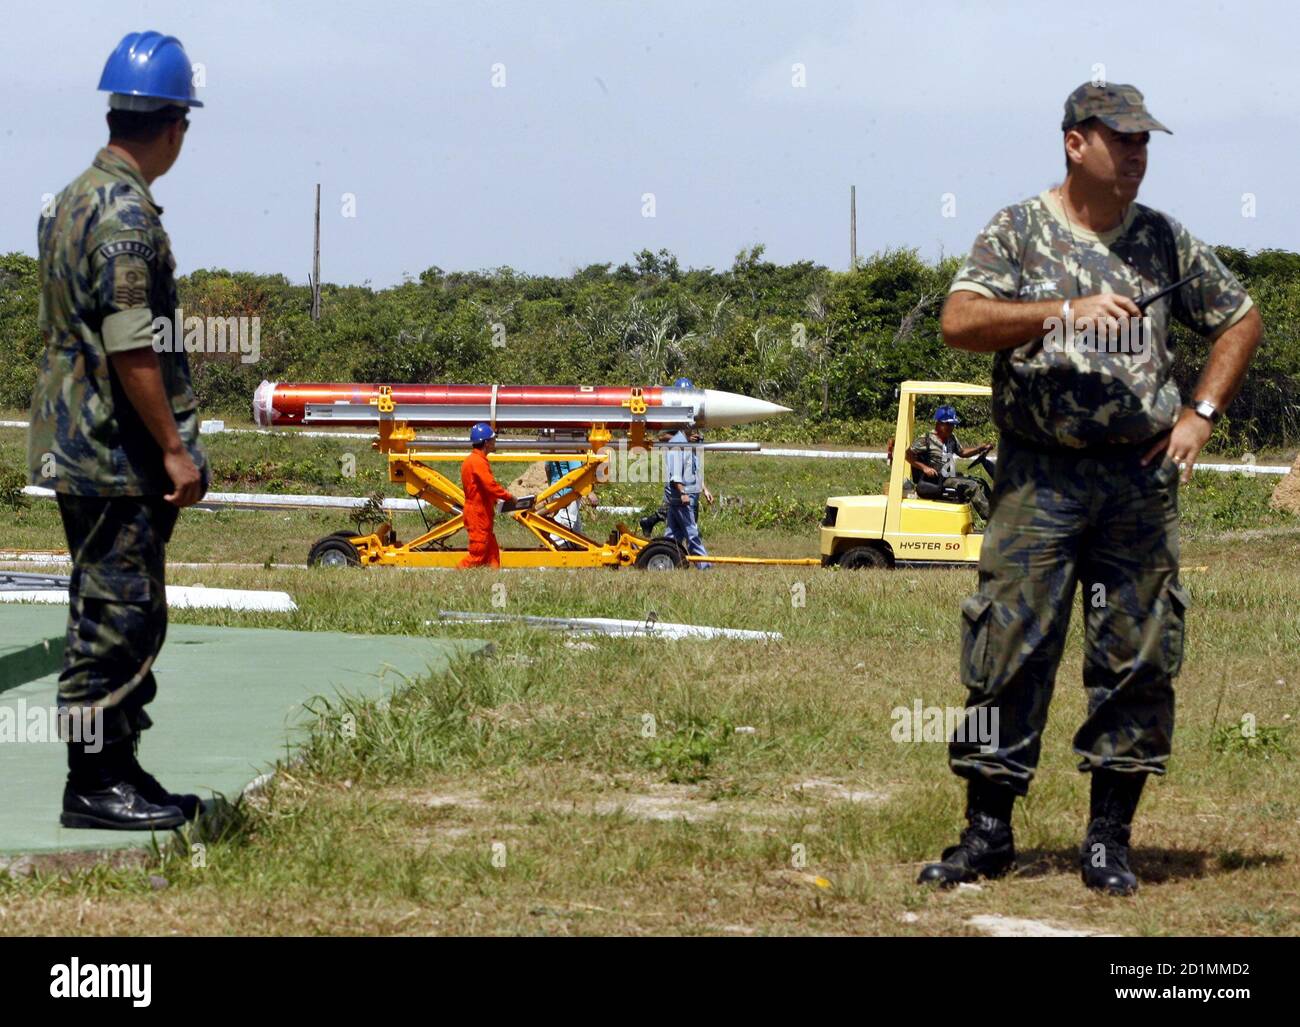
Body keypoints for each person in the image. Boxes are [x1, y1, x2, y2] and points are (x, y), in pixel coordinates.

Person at [919, 83, 1262, 895]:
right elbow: (960, 322)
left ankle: (1109, 837)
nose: (1139, 155)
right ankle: (988, 832)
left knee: (1139, 653)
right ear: (1076, 143)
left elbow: (1240, 319)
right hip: (1039, 475)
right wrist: (1060, 310)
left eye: (1147, 143)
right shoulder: (1018, 230)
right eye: (1124, 140)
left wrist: (1201, 412)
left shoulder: (1164, 240)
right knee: (1008, 649)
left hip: (1139, 480)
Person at [26, 31, 209, 830]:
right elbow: (130, 336)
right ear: (174, 126)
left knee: (118, 602)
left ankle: (121, 768)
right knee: (117, 609)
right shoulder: (126, 212)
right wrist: (173, 445)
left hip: (75, 436)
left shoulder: (69, 198)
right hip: (111, 447)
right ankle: (95, 782)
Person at [904, 405, 994, 519]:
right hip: (937, 479)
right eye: (948, 424)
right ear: (939, 423)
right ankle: (991, 520)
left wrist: (979, 449)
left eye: (953, 424)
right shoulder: (926, 439)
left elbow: (962, 452)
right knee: (973, 486)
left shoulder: (951, 438)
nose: (951, 427)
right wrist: (924, 468)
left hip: (949, 476)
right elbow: (908, 455)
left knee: (980, 482)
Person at [459, 423, 527, 568]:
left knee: (492, 552)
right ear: (486, 443)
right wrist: (509, 497)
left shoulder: (473, 460)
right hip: (478, 514)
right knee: (478, 553)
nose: (494, 442)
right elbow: (490, 486)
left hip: (481, 512)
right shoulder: (477, 462)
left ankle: (494, 578)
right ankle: (456, 576)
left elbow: (482, 487)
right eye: (493, 439)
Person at [663, 427, 710, 567]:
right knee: (692, 532)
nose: (697, 435)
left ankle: (665, 559)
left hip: (683, 497)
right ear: (686, 429)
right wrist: (683, 493)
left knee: (673, 535)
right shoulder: (678, 446)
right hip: (682, 498)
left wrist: (705, 489)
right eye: (695, 431)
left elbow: (694, 471)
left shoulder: (688, 447)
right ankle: (704, 565)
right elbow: (675, 475)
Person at [543, 457, 596, 548]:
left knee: (575, 526)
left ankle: (578, 548)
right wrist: (590, 492)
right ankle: (549, 546)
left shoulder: (552, 448)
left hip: (555, 490)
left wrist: (550, 491)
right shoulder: (571, 449)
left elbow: (547, 468)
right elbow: (577, 473)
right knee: (566, 522)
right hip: (569, 493)